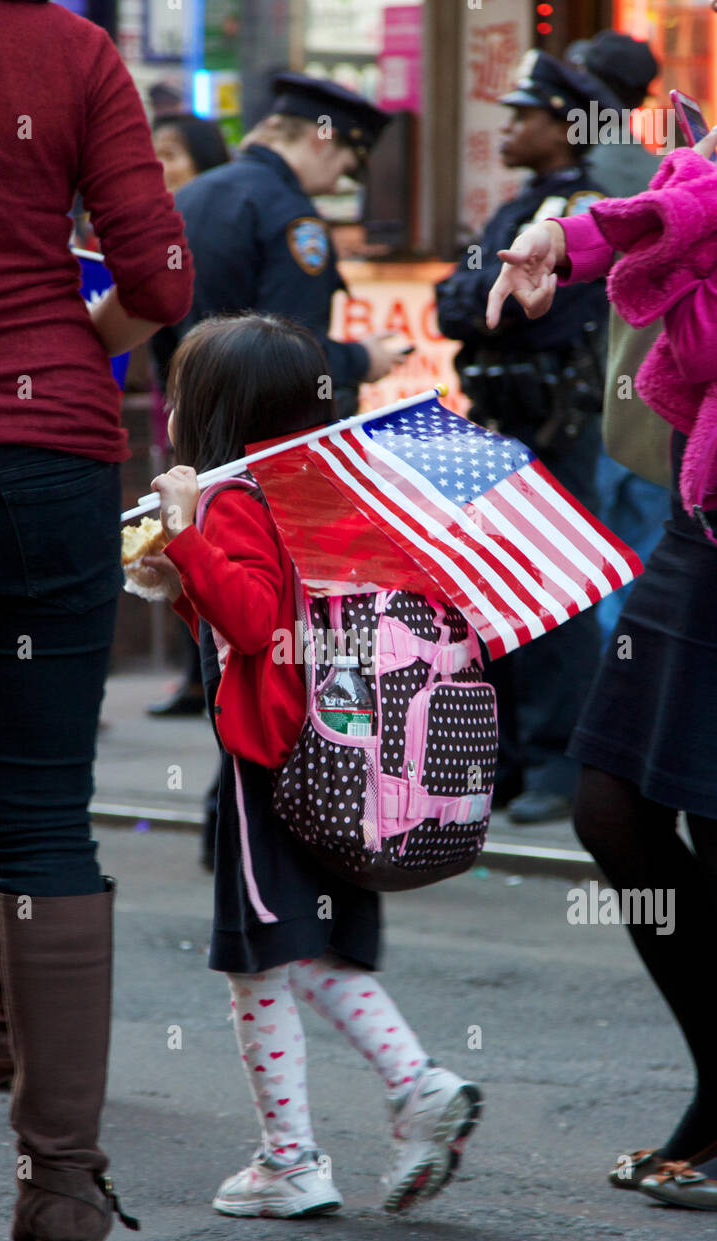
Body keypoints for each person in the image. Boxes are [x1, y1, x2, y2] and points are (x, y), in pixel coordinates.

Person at [0, 0, 192, 1241]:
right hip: (47, 473)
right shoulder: (69, 50)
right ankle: (63, 1188)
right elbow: (163, 279)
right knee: (43, 824)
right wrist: (72, 344)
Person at [485, 0, 717, 1210]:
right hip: (713, 502)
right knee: (614, 801)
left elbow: (699, 326)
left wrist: (632, 235)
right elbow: (699, 213)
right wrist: (597, 226)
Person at [143, 314, 482, 1218]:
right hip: (362, 763)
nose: (170, 408)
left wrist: (184, 538)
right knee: (321, 945)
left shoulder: (236, 499)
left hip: (275, 766)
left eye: (180, 394)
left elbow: (252, 624)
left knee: (261, 961)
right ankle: (417, 1089)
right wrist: (184, 581)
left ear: (211, 412)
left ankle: (291, 1159)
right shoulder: (336, 493)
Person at [436, 51, 612, 825]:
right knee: (490, 592)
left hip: (554, 427)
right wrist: (480, 300)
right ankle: (504, 761)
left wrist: (481, 302)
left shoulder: (584, 207)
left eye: (523, 116)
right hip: (500, 424)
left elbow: (543, 316)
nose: (507, 128)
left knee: (552, 595)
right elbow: (454, 301)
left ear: (562, 127)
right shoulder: (521, 207)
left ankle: (556, 766)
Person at [161, 73, 407, 421]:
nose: (337, 184)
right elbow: (291, 347)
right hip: (260, 428)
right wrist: (363, 359)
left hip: (192, 419)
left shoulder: (191, 194)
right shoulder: (292, 217)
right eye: (345, 168)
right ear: (323, 140)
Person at [570, 30, 672, 643]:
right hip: (651, 400)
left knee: (608, 569)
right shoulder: (656, 165)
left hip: (597, 399)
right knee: (640, 556)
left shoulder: (593, 170)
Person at [147, 113, 231, 721]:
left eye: (173, 154)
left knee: (205, 529)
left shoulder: (213, 224)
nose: (161, 167)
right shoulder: (148, 231)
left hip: (212, 415)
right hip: (168, 400)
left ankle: (208, 668)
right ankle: (191, 670)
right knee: (167, 533)